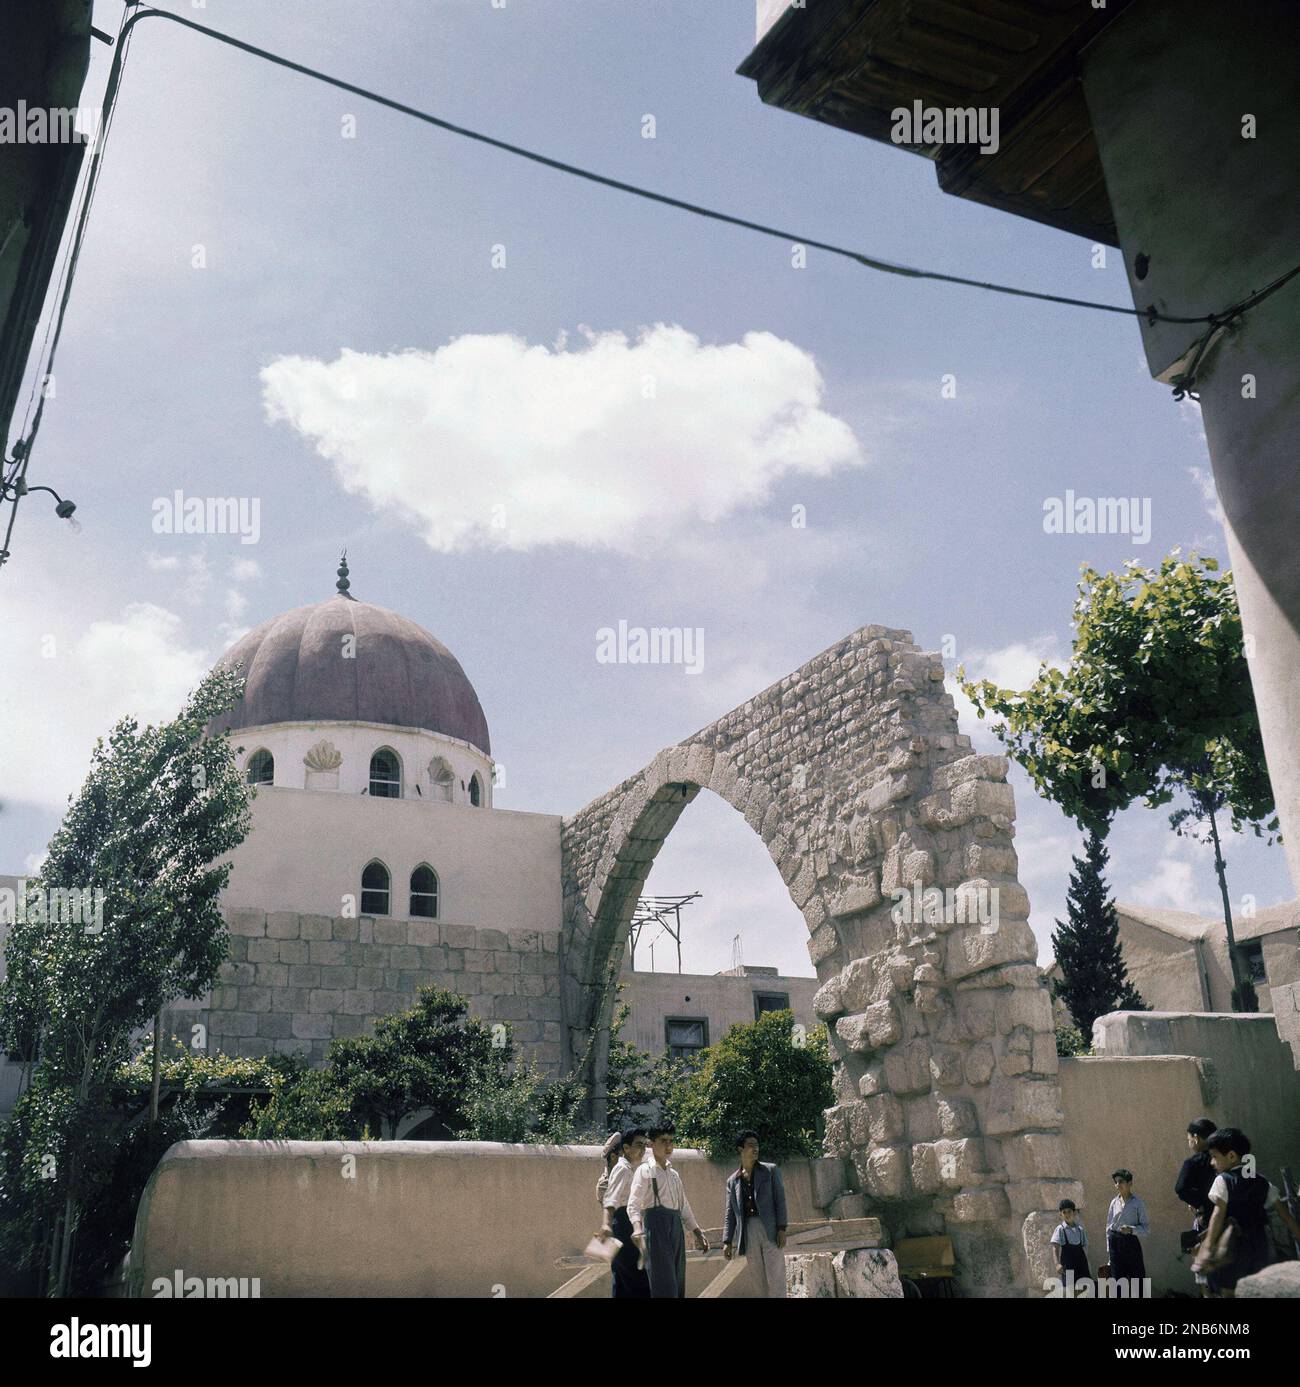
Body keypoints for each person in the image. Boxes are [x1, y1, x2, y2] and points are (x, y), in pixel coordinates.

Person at [1194, 1127, 1300, 1298]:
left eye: (1214, 1157)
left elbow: (1217, 1218)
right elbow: (1286, 1217)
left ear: (1231, 1156)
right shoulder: (1263, 1182)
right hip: (1261, 1246)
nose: (1212, 1162)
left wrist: (1207, 1246)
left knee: (1230, 1291)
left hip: (1234, 1247)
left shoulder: (1223, 1181)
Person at [627, 1123, 709, 1297]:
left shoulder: (674, 1175)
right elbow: (633, 1204)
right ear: (651, 1143)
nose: (668, 1146)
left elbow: (684, 1206)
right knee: (664, 1286)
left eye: (671, 1141)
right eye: (663, 1141)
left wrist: (697, 1232)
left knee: (678, 1284)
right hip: (656, 1229)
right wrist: (637, 1228)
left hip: (676, 1230)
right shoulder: (645, 1171)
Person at [722, 1130, 789, 1298]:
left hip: (770, 1229)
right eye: (751, 1145)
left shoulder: (770, 1170)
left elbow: (780, 1200)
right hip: (748, 1232)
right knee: (757, 1280)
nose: (755, 1149)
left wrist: (782, 1228)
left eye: (757, 1145)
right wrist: (727, 1241)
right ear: (740, 1149)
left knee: (776, 1278)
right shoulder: (733, 1180)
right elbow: (730, 1213)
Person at [596, 1128, 651, 1298]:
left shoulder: (632, 1168)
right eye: (638, 1145)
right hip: (623, 1226)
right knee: (637, 1282)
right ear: (626, 1148)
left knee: (622, 1282)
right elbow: (611, 1198)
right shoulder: (623, 1169)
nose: (642, 1150)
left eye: (644, 1145)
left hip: (626, 1225)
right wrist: (606, 1224)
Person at [1174, 1117, 1217, 1295]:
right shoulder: (1227, 1158)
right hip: (1234, 1221)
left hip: (1208, 1221)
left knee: (1206, 1271)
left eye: (1189, 1139)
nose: (1189, 1143)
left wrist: (1199, 1203)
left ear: (1196, 1137)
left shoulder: (1194, 1163)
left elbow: (1180, 1188)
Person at [1105, 1169, 1149, 1283]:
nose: (1118, 1185)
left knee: (1137, 1279)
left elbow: (1146, 1229)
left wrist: (1131, 1230)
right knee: (1118, 1281)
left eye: (1121, 1181)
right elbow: (1109, 1228)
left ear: (1130, 1183)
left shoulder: (1138, 1203)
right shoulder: (1114, 1203)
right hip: (1115, 1244)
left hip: (1130, 1243)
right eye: (1116, 1182)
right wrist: (1110, 1252)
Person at [1049, 1198, 1089, 1292]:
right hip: (1068, 1267)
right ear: (1061, 1214)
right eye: (1064, 1212)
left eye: (1069, 1211)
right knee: (1071, 1291)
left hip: (1081, 1266)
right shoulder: (1060, 1229)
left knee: (1085, 1289)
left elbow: (1084, 1247)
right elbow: (1055, 1247)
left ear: (1074, 1212)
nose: (1067, 1214)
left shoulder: (1080, 1230)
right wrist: (1057, 1264)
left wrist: (1085, 1264)